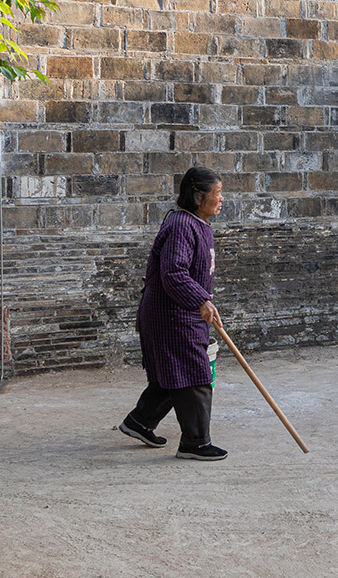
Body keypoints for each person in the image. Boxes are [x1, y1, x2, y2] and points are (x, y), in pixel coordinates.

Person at [118, 167, 229, 460]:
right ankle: (195, 442)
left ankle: (139, 422)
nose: (221, 199)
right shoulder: (182, 225)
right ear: (197, 196)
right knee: (194, 376)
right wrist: (200, 301)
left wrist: (201, 302)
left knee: (173, 373)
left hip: (181, 313)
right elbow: (174, 273)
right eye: (217, 194)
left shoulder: (197, 224)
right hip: (172, 316)